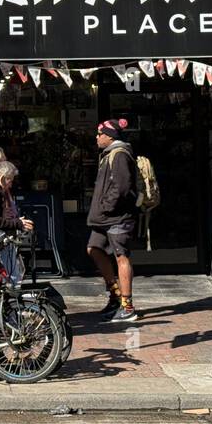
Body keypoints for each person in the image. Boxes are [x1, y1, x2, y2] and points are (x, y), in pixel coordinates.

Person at [88, 118, 138, 323]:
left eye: (100, 134)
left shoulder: (119, 155)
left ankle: (127, 306)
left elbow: (122, 188)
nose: (97, 138)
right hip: (104, 217)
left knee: (121, 256)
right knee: (93, 248)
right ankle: (115, 295)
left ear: (110, 136)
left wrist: (106, 207)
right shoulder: (108, 154)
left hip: (117, 217)